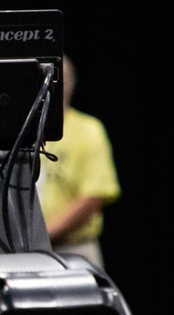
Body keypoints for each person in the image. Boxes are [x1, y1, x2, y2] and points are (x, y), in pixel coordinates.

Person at [37, 53, 121, 268]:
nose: (54, 88)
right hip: (24, 251)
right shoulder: (22, 134)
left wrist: (44, 234)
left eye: (60, 80)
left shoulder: (88, 130)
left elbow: (92, 197)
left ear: (71, 84)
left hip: (73, 249)